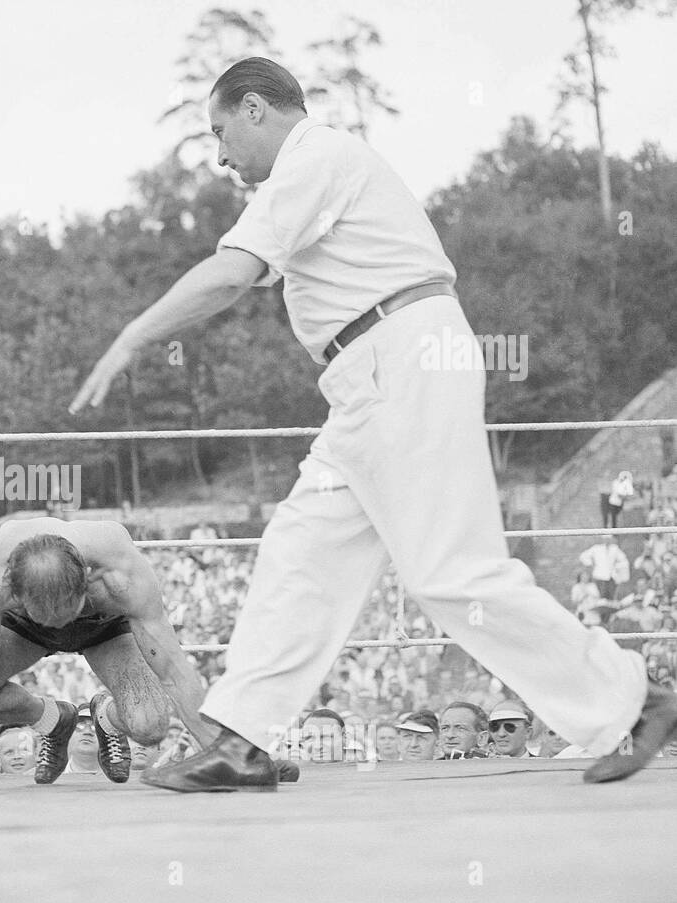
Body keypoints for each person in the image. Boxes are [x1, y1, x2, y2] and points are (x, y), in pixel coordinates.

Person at [71, 56, 676, 790]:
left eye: (222, 132)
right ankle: (241, 739)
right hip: (373, 373)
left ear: (257, 108)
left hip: (399, 357)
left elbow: (230, 273)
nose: (223, 157)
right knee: (301, 551)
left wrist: (133, 336)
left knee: (456, 573)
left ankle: (634, 700)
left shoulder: (315, 157)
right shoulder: (317, 168)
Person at [0, 518, 215, 794]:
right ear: (16, 591)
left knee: (151, 725)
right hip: (24, 629)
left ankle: (106, 717)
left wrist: (217, 752)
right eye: (47, 617)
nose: (59, 625)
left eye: (64, 614)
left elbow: (173, 670)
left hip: (104, 625)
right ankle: (53, 719)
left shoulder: (120, 571)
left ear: (88, 581)